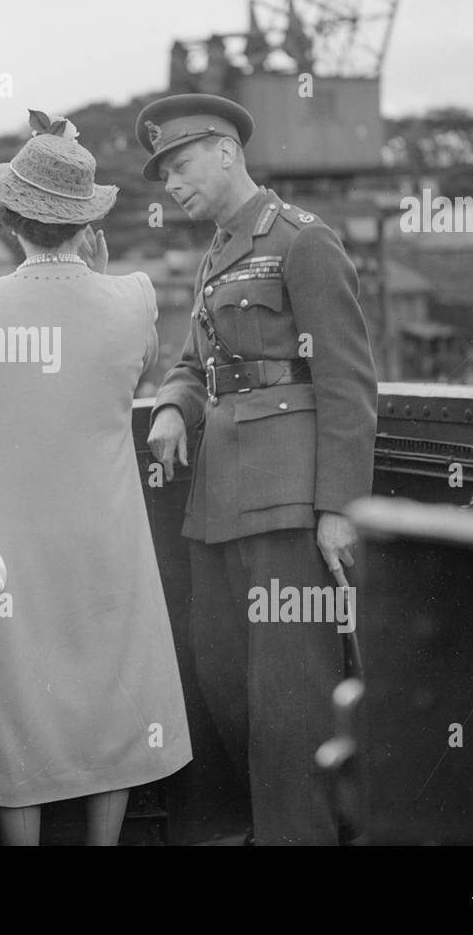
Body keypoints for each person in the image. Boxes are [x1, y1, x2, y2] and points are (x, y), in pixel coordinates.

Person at [0, 116, 192, 846]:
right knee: (111, 687)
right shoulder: (132, 297)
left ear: (10, 221)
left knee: (20, 699)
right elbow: (138, 371)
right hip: (108, 528)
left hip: (12, 536)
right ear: (88, 223)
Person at [140, 94, 377, 845]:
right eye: (164, 175)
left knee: (289, 705)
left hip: (285, 505)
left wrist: (338, 507)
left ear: (224, 151)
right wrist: (175, 407)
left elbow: (347, 382)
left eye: (179, 166)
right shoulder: (216, 253)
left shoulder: (304, 242)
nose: (173, 185)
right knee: (222, 686)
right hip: (218, 505)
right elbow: (190, 362)